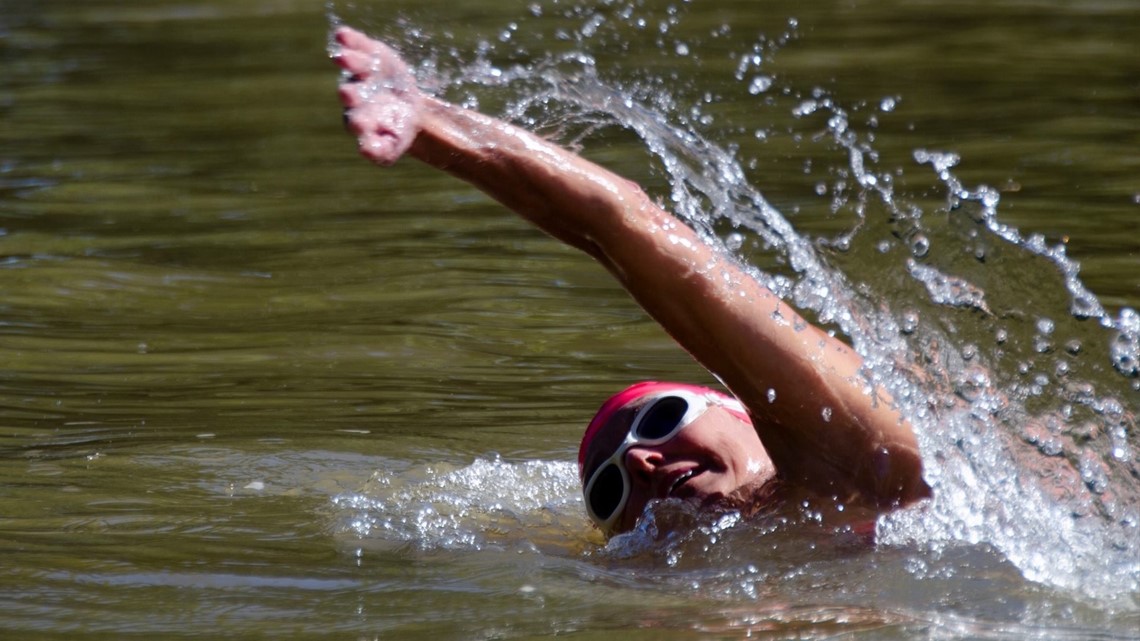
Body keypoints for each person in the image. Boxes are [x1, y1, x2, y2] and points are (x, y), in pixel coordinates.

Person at [332, 26, 931, 537]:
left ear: (744, 412)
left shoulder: (865, 457)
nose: (640, 459)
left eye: (662, 418)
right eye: (607, 489)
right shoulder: (681, 590)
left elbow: (622, 229)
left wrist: (430, 123)